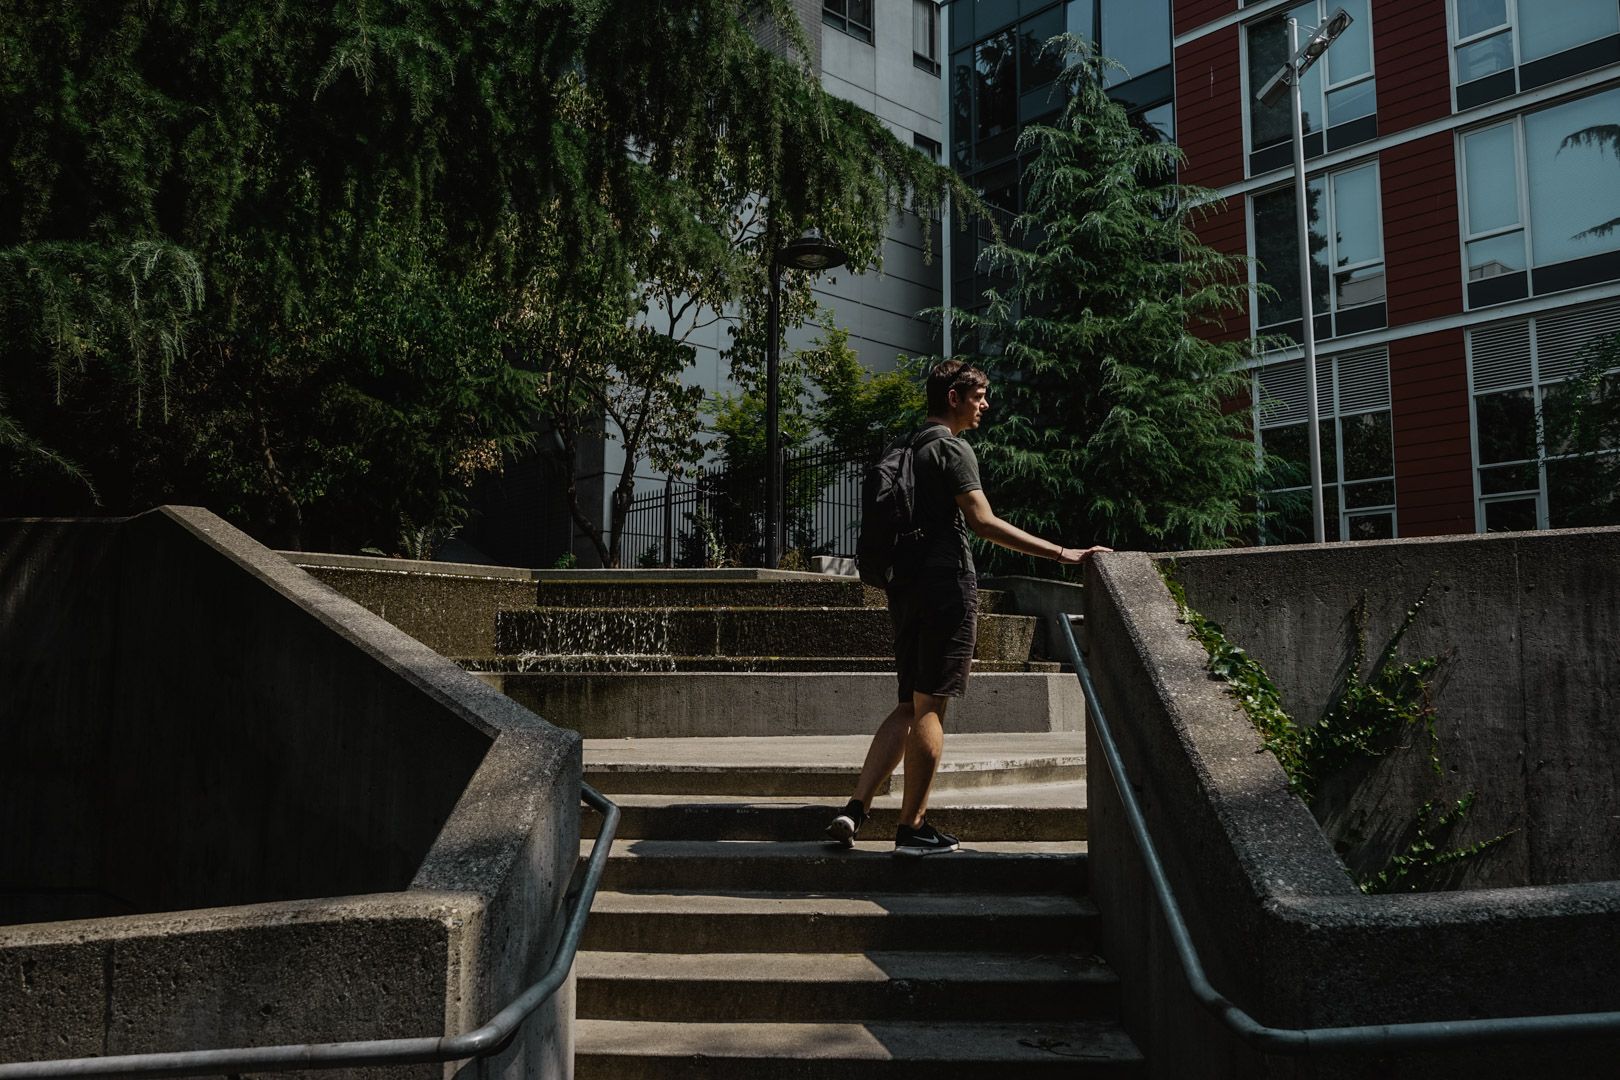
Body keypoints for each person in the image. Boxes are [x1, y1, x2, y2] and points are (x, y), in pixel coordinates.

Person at [827, 359, 1110, 857]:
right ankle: (912, 829)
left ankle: (856, 806)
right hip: (945, 585)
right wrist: (1065, 553)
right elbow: (982, 521)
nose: (985, 405)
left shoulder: (906, 447)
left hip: (905, 586)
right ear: (953, 397)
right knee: (931, 704)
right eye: (978, 396)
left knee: (906, 705)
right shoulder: (951, 448)